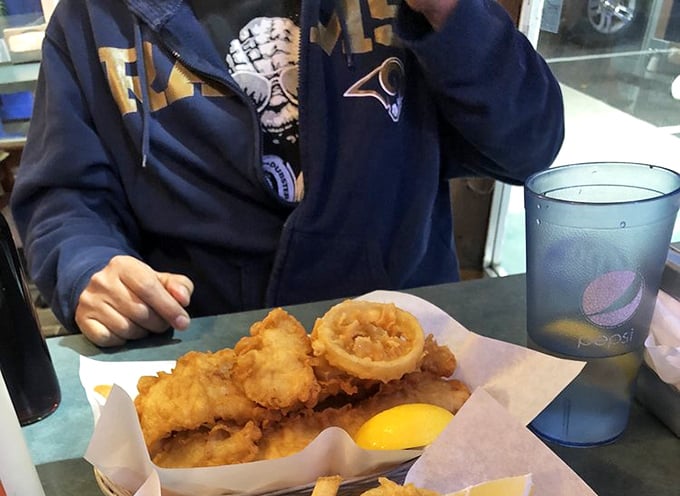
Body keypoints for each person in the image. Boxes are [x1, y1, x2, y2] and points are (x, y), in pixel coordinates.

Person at [11, 0, 564, 347]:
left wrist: (458, 17)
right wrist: (88, 268)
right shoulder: (89, 21)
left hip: (406, 340)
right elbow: (64, 196)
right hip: (203, 347)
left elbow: (529, 149)